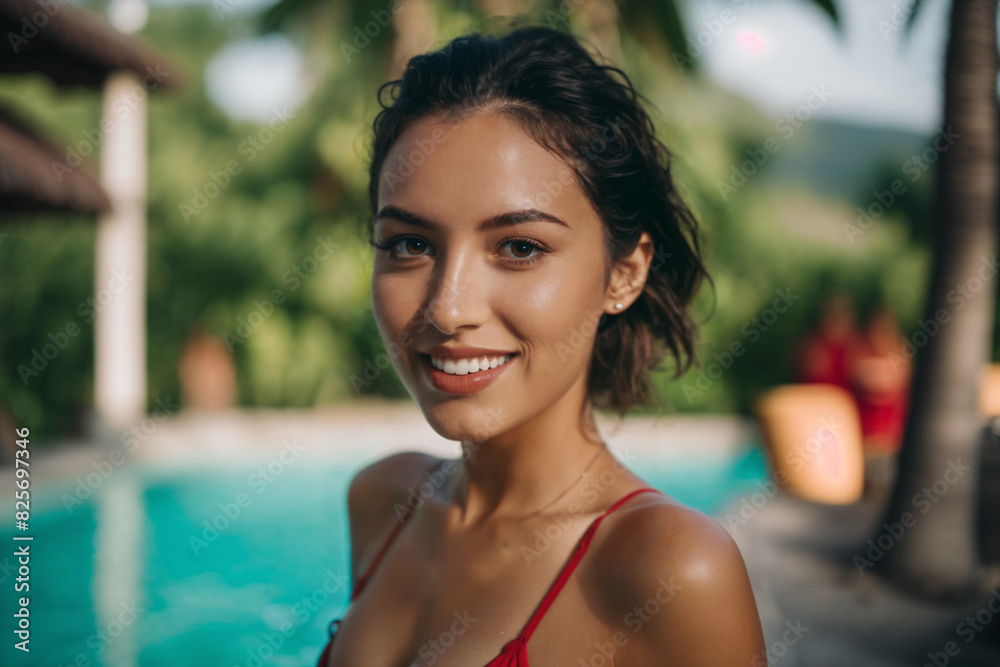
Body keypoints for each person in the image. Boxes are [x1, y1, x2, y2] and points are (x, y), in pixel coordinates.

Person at [318, 25, 765, 666]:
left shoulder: (668, 571)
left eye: (520, 247)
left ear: (624, 273)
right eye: (410, 244)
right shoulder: (384, 501)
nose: (448, 309)